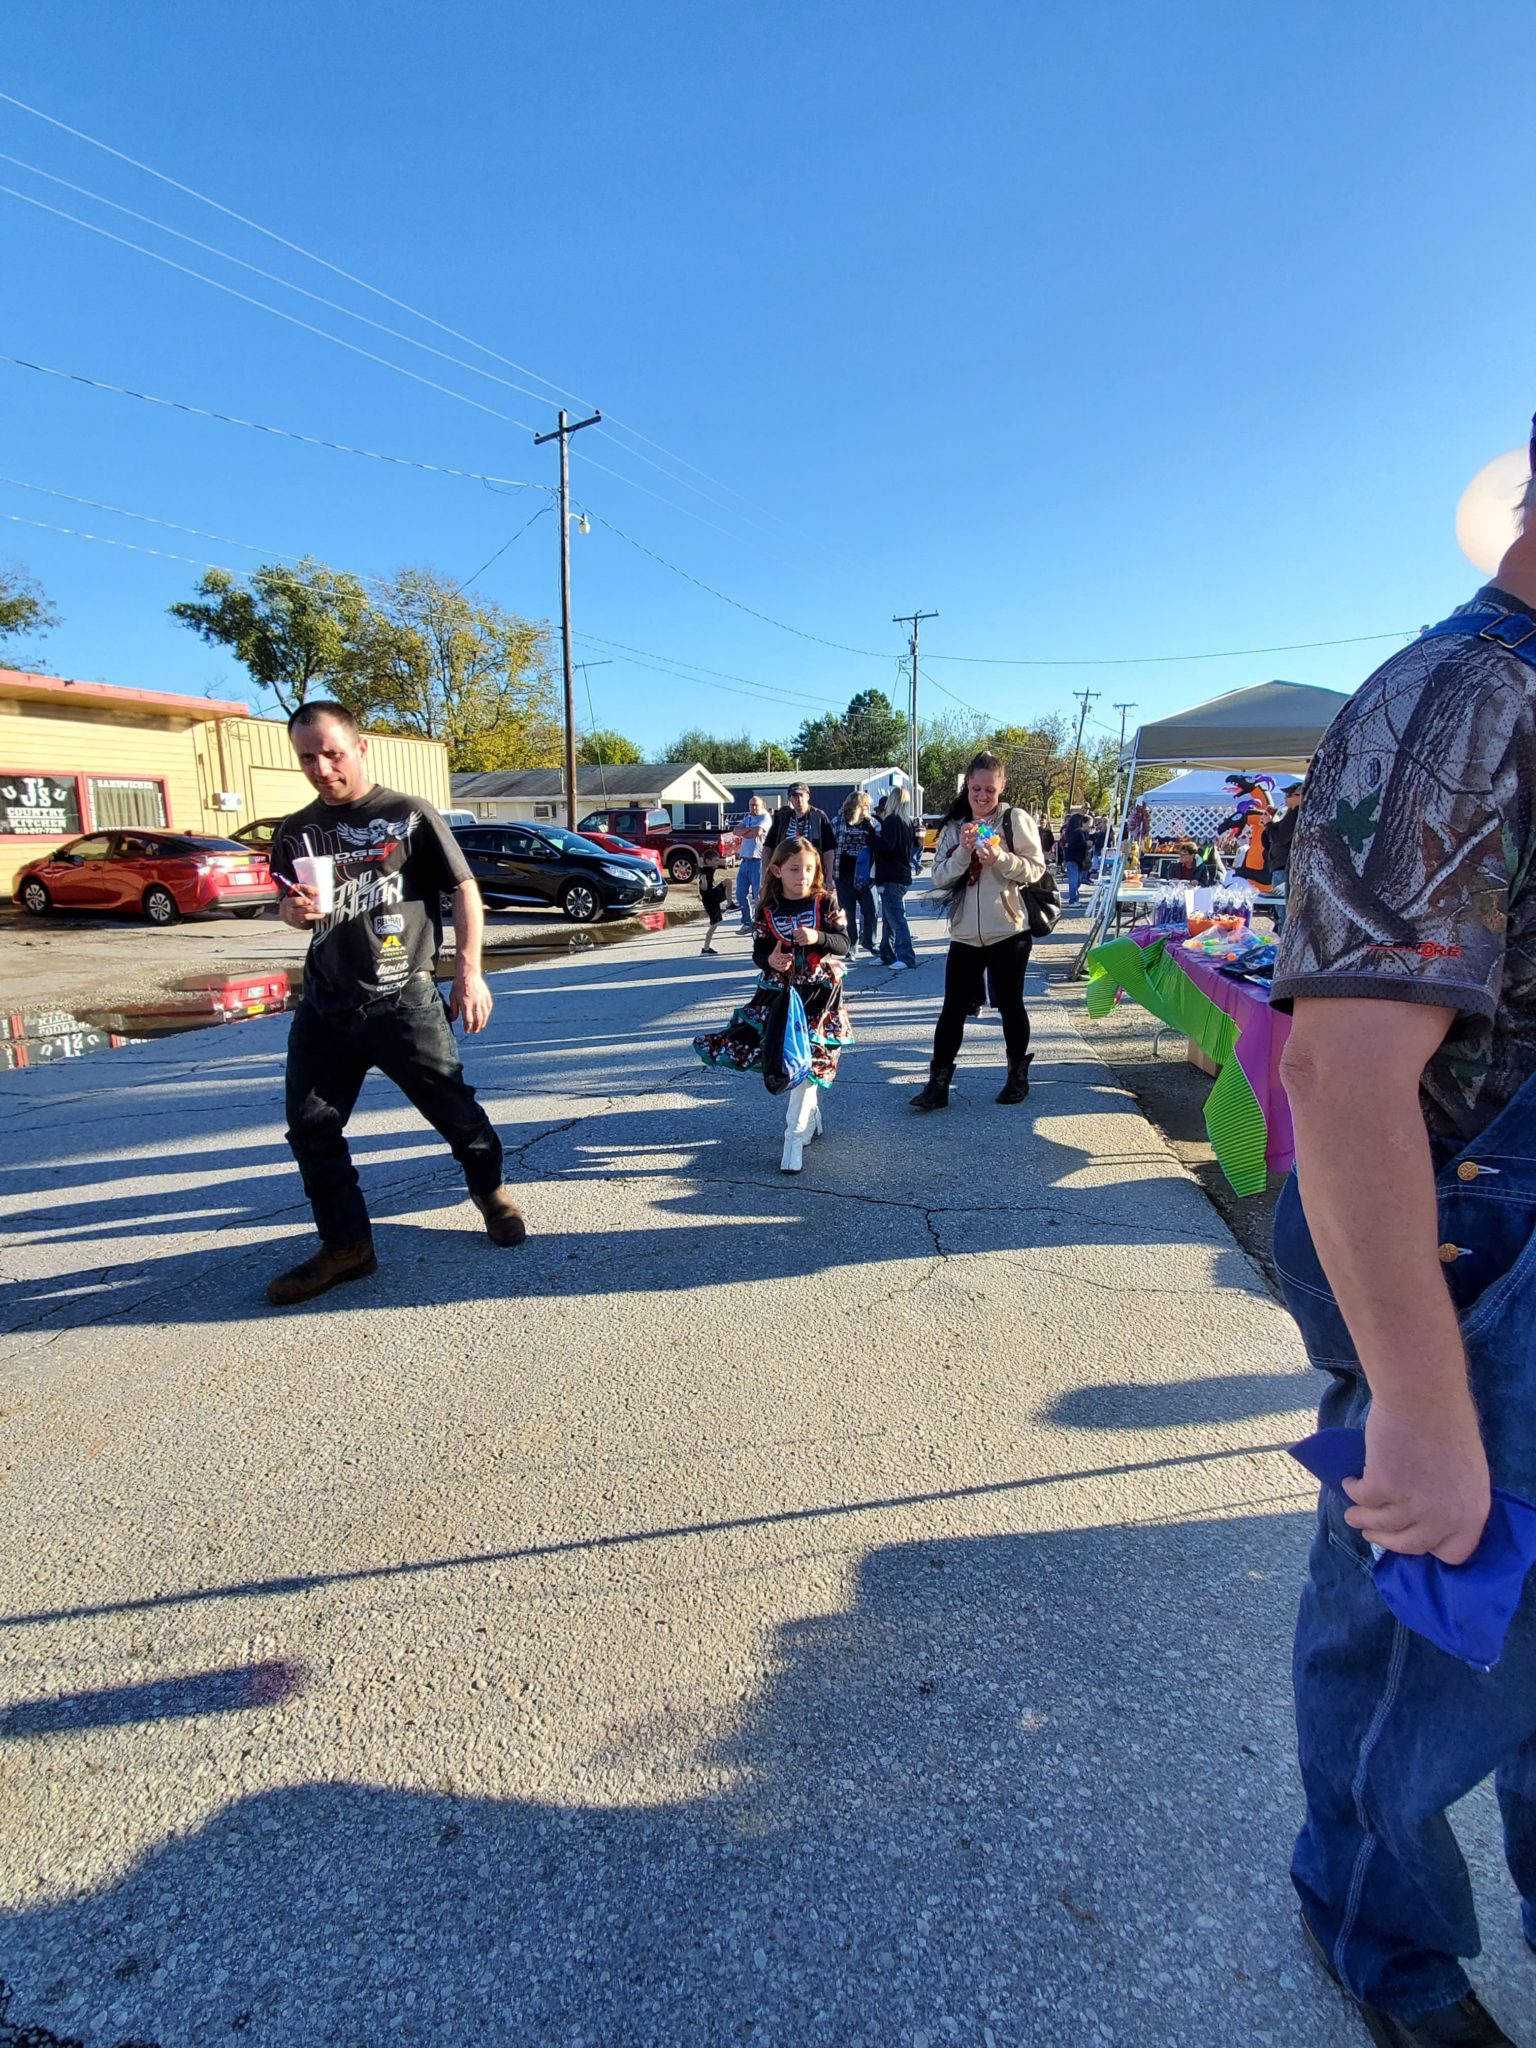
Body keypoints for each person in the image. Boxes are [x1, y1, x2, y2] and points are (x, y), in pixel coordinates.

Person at [1267, 477, 1536, 2047]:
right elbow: (1341, 1078)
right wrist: (1426, 1415)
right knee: (1418, 1665)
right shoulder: (1463, 697)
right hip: (1482, 1254)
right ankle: (1387, 1944)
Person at [265, 702, 525, 1306]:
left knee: (458, 1117)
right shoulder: (294, 830)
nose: (321, 767)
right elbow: (284, 903)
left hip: (403, 996)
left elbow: (464, 889)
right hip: (325, 1006)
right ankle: (347, 1248)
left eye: (332, 752)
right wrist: (290, 912)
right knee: (311, 1129)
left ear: (359, 749)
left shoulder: (407, 816)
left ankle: (490, 1193)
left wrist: (469, 972)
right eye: (307, 756)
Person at [693, 836, 852, 1173]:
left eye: (809, 869)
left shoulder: (826, 904)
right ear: (777, 870)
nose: (803, 876)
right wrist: (771, 959)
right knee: (786, 1059)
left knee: (811, 1057)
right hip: (778, 997)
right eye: (795, 869)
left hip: (819, 997)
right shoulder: (767, 910)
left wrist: (818, 937)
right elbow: (759, 951)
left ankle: (793, 1138)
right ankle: (810, 1117)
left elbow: (843, 943)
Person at [910, 751, 1046, 1111]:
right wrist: (963, 854)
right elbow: (938, 876)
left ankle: (1017, 1074)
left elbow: (1035, 870)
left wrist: (999, 858)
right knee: (952, 1008)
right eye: (975, 789)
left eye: (989, 789)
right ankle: (938, 1083)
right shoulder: (954, 826)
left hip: (1009, 930)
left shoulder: (1015, 819)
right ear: (966, 787)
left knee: (1010, 1004)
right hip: (965, 933)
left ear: (1001, 787)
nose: (982, 796)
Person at [873, 784, 919, 971]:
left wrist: (871, 836)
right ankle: (886, 953)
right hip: (902, 874)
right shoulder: (907, 822)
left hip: (891, 875)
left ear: (892, 801)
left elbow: (887, 846)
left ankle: (906, 956)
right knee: (889, 917)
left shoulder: (891, 820)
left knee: (896, 918)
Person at [833, 790, 880, 961]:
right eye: (866, 804)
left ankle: (870, 941)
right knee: (848, 913)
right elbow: (831, 847)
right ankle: (851, 946)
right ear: (857, 805)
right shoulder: (838, 822)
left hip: (866, 875)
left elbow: (879, 845)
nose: (869, 807)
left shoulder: (872, 823)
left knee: (872, 909)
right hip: (844, 873)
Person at [1263, 779, 1304, 934]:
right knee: (1282, 911)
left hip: (1284, 867)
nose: (1285, 798)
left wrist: (1269, 824)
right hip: (1281, 866)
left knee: (1283, 911)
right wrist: (1270, 826)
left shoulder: (1295, 814)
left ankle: (1282, 945)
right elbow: (1273, 839)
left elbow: (1280, 838)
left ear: (1299, 796)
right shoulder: (1291, 814)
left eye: (1289, 795)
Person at [763, 781, 837, 865]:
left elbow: (829, 850)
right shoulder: (781, 819)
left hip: (812, 868)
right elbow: (767, 848)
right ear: (789, 798)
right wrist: (766, 873)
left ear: (808, 797)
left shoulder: (819, 817)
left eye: (802, 795)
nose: (799, 799)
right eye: (795, 796)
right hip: (786, 868)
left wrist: (828, 876)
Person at [734, 794, 768, 931]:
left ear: (762, 806)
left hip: (758, 861)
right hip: (744, 861)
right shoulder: (747, 818)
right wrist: (747, 831)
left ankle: (760, 922)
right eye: (751, 805)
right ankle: (747, 922)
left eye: (756, 805)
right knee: (740, 894)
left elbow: (758, 832)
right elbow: (736, 831)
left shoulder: (765, 818)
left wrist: (746, 832)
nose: (753, 808)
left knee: (758, 895)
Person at [698, 853, 727, 955]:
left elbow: (723, 862)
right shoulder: (704, 873)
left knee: (728, 882)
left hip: (713, 896)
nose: (717, 862)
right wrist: (704, 880)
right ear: (708, 861)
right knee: (714, 924)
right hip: (710, 900)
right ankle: (705, 948)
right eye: (715, 860)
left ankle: (706, 948)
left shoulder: (709, 868)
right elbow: (704, 888)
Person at [1060, 811, 1090, 905]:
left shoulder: (1085, 833)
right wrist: (1085, 844)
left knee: (1078, 881)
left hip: (1079, 860)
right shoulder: (1077, 832)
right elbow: (1071, 846)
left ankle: (1075, 899)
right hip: (1072, 859)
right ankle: (1073, 900)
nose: (1090, 826)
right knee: (1074, 881)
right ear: (1083, 823)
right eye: (1089, 824)